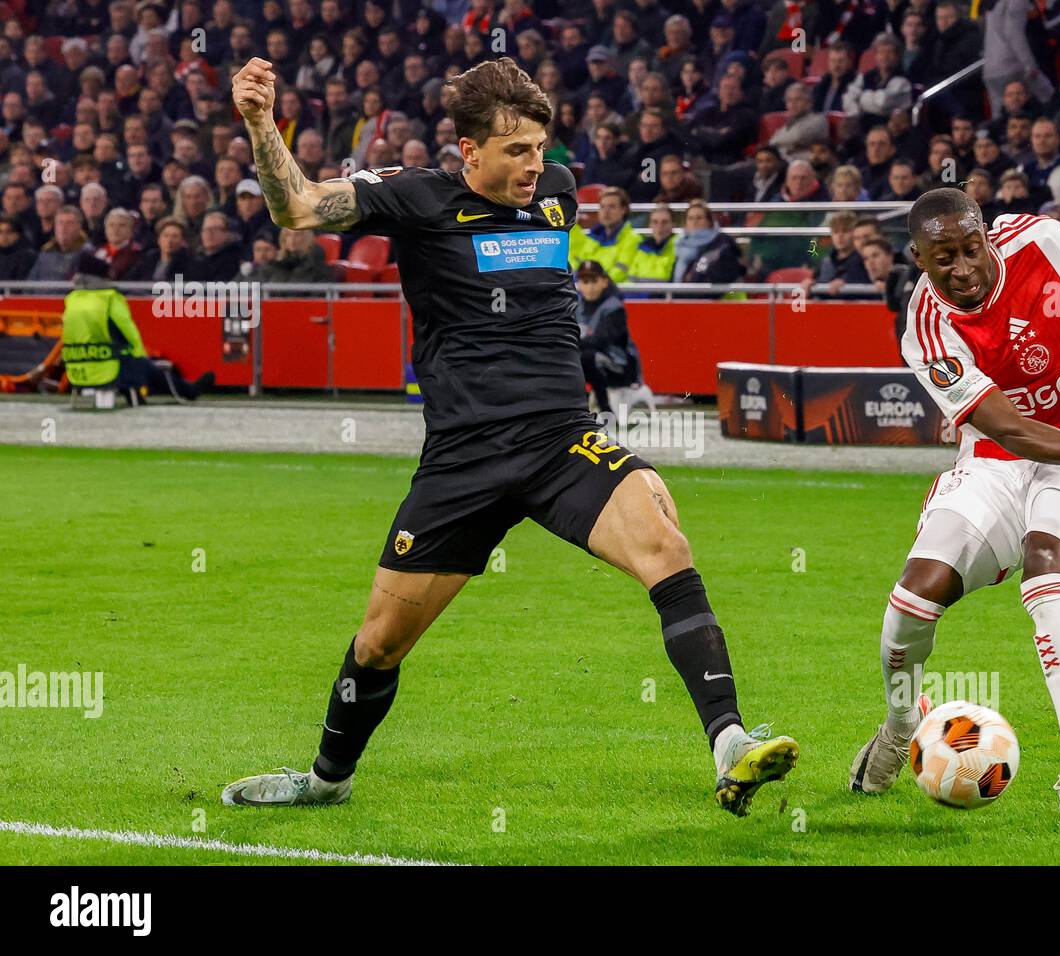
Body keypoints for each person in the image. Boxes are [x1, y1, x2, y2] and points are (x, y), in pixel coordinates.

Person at [220, 56, 798, 816]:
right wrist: (263, 124)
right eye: (516, 150)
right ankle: (327, 781)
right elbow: (296, 209)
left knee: (665, 540)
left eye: (540, 148)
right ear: (470, 153)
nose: (536, 165)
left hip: (562, 441)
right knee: (379, 644)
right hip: (462, 459)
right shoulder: (416, 197)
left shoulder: (555, 194)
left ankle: (729, 743)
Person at [849, 188, 1060, 824]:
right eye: (944, 258)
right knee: (912, 598)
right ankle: (898, 723)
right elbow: (1011, 429)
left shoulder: (1035, 241)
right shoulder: (927, 328)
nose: (962, 268)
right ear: (918, 258)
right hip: (1003, 457)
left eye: (971, 250)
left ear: (987, 239)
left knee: (1046, 569)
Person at [61, 250, 215, 401]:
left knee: (133, 362)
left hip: (76, 373)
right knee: (145, 365)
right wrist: (140, 355)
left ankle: (140, 395)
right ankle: (188, 391)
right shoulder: (109, 298)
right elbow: (129, 331)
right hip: (108, 371)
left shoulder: (72, 300)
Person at [575, 259, 640, 413]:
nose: (589, 286)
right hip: (592, 361)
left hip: (620, 366)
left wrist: (572, 344)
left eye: (594, 281)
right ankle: (578, 406)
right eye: (585, 281)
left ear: (604, 282)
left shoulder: (614, 307)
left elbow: (600, 340)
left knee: (586, 357)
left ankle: (605, 409)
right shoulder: (576, 306)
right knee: (575, 358)